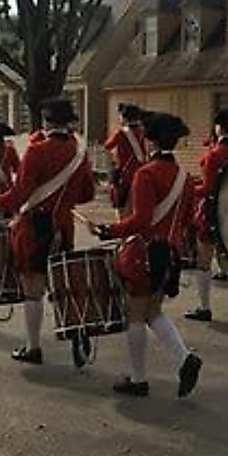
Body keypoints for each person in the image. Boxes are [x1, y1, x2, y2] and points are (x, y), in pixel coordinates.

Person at [92, 111, 203, 399]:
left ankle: (139, 378)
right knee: (153, 310)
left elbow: (141, 220)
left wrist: (110, 230)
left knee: (136, 315)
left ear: (149, 141)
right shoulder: (185, 178)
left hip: (144, 253)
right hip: (170, 254)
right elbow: (188, 219)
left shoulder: (146, 174)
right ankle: (184, 358)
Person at [0, 96, 96, 365]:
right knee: (61, 283)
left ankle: (33, 348)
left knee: (33, 288)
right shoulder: (79, 153)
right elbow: (88, 193)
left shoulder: (36, 151)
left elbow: (20, 193)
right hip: (63, 228)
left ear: (45, 122)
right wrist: (64, 201)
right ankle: (77, 327)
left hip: (34, 227)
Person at [185, 107, 228, 324]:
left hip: (213, 212)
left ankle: (204, 308)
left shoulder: (214, 155)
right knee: (226, 262)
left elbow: (208, 189)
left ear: (220, 128)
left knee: (204, 262)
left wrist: (187, 189)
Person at [104, 103, 147, 213]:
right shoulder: (144, 132)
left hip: (124, 173)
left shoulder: (121, 133)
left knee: (121, 207)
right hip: (142, 171)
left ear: (124, 117)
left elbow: (107, 146)